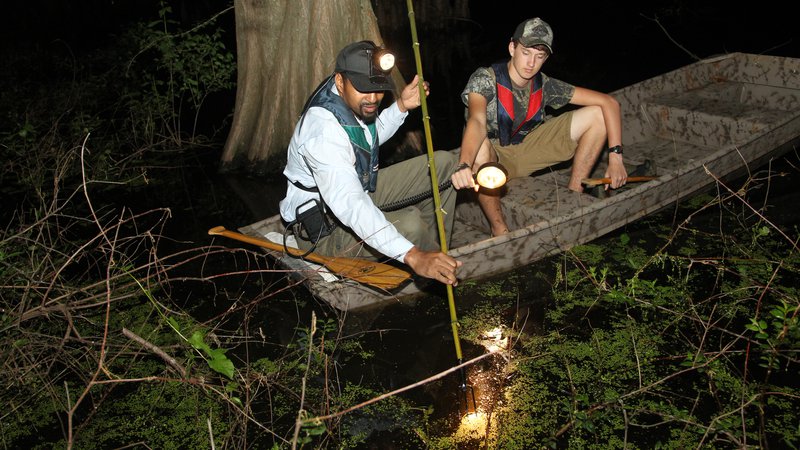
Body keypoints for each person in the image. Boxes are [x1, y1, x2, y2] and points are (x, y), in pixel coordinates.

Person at [279, 40, 462, 286]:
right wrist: (412, 254)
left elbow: (365, 137)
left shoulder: (346, 96)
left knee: (443, 164)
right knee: (410, 224)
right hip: (323, 228)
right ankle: (430, 267)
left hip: (355, 185)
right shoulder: (322, 135)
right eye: (364, 88)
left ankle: (437, 254)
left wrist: (401, 106)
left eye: (378, 88)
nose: (373, 98)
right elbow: (353, 206)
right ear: (340, 81)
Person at [450, 17, 628, 237]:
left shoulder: (545, 85)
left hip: (528, 150)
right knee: (480, 147)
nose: (531, 63)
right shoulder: (484, 79)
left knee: (598, 114)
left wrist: (615, 157)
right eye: (526, 53)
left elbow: (610, 103)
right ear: (512, 48)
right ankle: (500, 229)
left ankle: (574, 196)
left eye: (539, 56)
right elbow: (476, 121)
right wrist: (463, 164)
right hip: (493, 157)